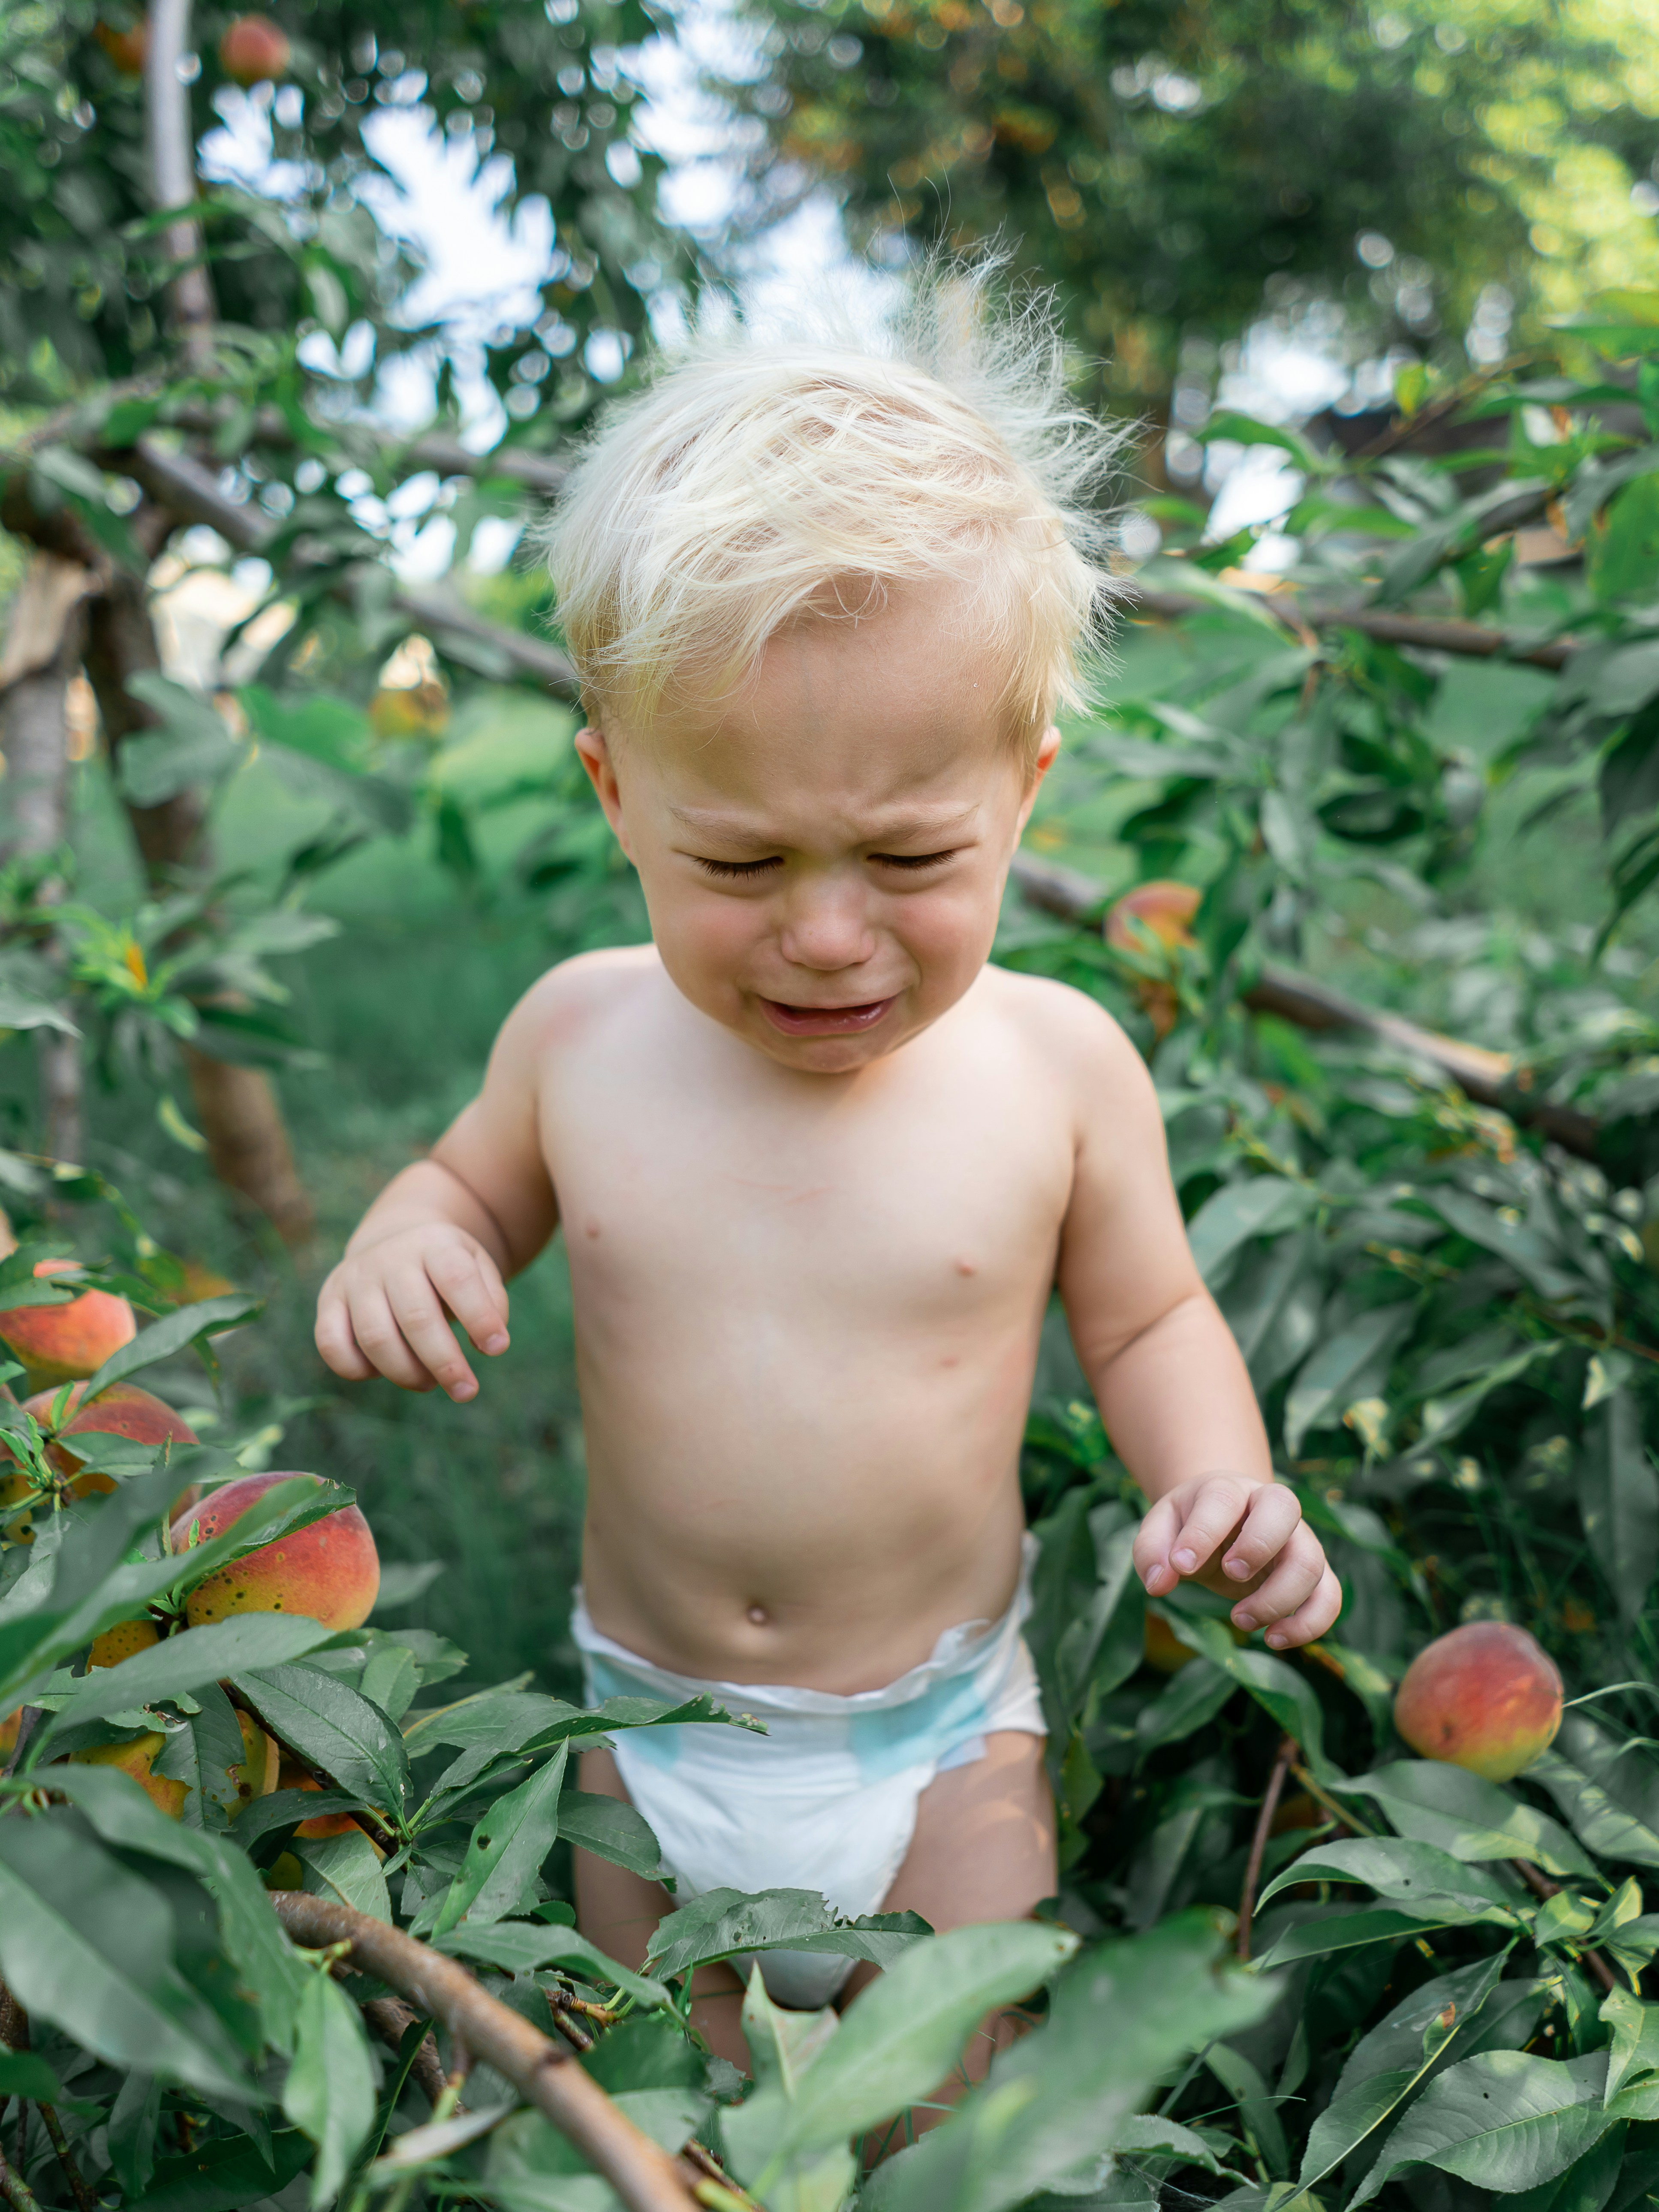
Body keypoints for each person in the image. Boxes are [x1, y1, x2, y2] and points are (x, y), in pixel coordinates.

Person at [314, 267, 1341, 2075]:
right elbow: (466, 1190)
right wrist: (412, 1237)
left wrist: (1221, 1482)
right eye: (734, 864)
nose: (821, 934)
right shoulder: (576, 1039)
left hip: (936, 1743)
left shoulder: (1055, 1070)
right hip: (645, 1732)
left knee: (948, 2112)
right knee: (651, 2097)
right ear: (614, 793)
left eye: (904, 853)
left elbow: (1152, 1313)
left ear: (1023, 791)